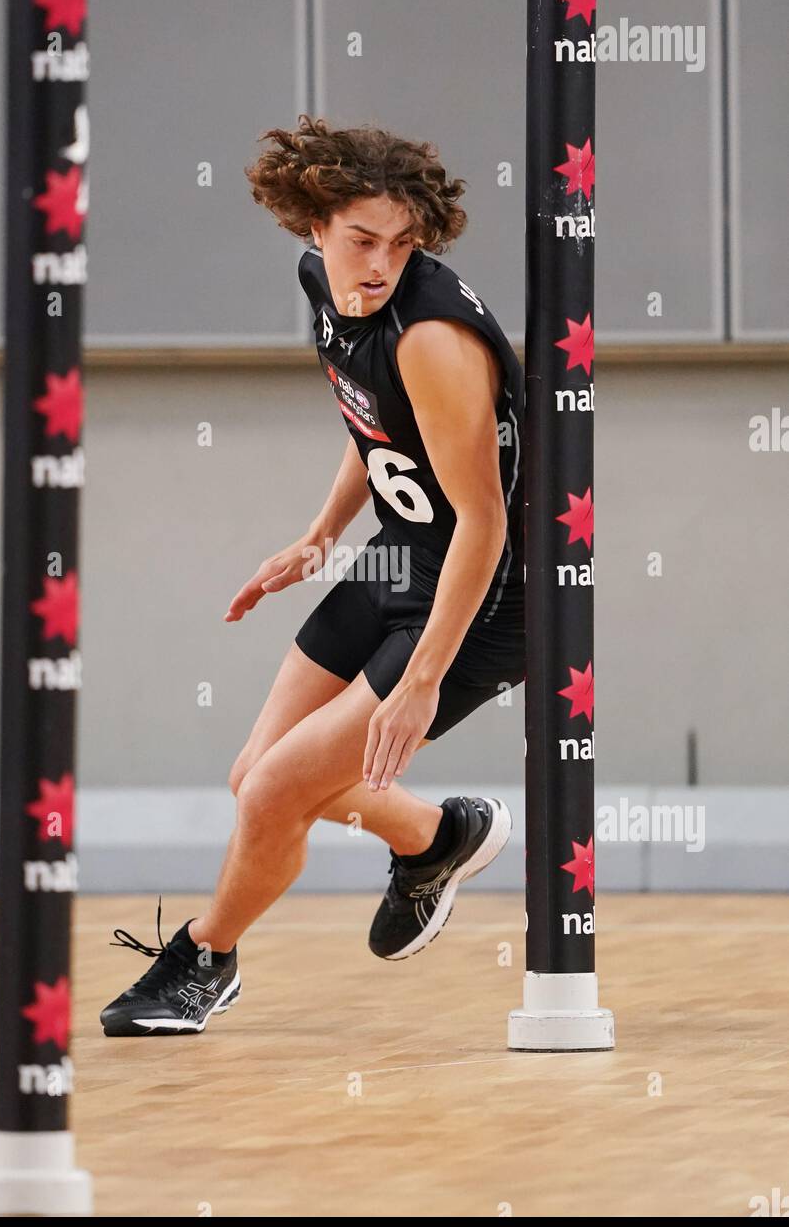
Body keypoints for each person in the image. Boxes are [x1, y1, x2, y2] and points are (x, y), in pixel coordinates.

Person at [100, 115, 525, 1036]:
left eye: (401, 244)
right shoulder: (325, 286)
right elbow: (373, 422)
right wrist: (319, 535)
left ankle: (204, 962)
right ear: (314, 228)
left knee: (275, 793)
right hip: (400, 550)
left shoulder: (431, 340)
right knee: (256, 775)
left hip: (482, 589)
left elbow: (485, 520)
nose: (379, 263)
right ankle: (434, 837)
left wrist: (421, 685)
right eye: (361, 240)